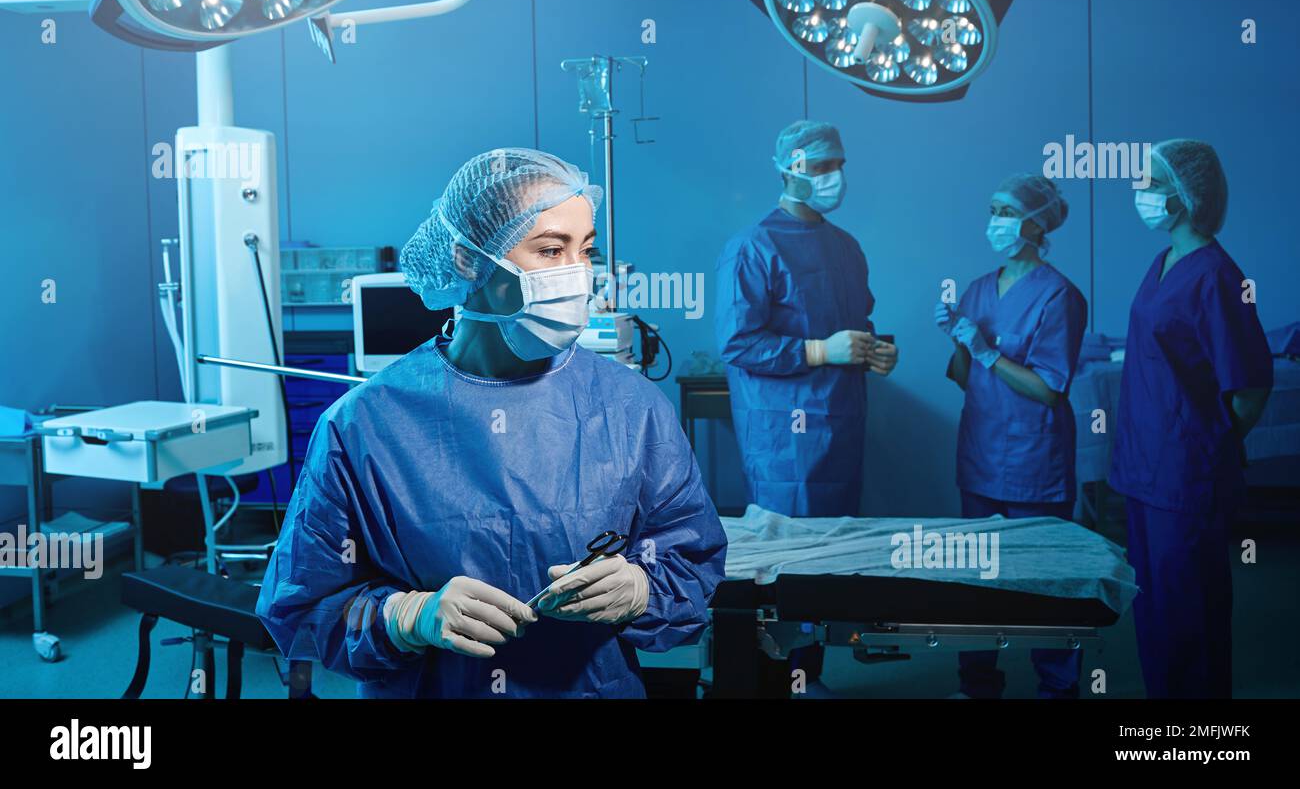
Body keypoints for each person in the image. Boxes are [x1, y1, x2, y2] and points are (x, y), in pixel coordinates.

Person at [256, 149, 727, 698]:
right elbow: (304, 603)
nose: (577, 275)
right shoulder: (365, 423)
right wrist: (408, 617)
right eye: (550, 250)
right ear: (466, 260)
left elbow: (691, 559)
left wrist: (641, 589)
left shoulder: (630, 408)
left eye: (586, 251)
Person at [1111, 139, 1272, 699]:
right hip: (1145, 470)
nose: (1141, 193)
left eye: (1152, 183)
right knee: (1153, 610)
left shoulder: (1218, 276)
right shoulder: (1164, 262)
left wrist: (1201, 448)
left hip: (1185, 480)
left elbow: (1249, 387)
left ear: (1185, 193)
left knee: (1192, 618)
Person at [936, 173, 1087, 699]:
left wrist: (986, 351)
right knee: (976, 580)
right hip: (980, 455)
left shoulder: (1059, 296)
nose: (995, 221)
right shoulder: (980, 287)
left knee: (1046, 580)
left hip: (1034, 460)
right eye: (993, 209)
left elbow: (1049, 390)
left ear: (1037, 222)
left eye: (1006, 211)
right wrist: (958, 338)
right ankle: (978, 684)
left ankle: (1058, 686)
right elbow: (962, 376)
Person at [715, 120, 898, 519]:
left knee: (838, 545)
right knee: (788, 555)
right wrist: (817, 351)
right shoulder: (753, 247)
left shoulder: (847, 247)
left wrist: (873, 350)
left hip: (842, 421)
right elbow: (738, 343)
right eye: (820, 167)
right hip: (784, 433)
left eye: (838, 165)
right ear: (788, 169)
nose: (834, 178)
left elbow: (855, 319)